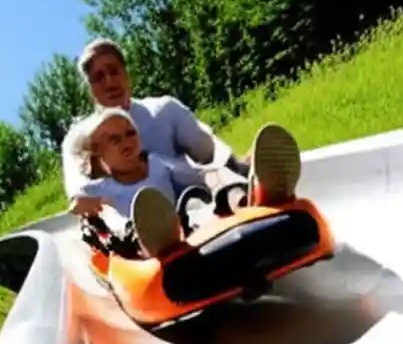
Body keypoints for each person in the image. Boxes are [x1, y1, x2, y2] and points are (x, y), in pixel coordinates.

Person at [69, 104, 303, 259]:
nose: (126, 141)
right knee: (132, 222)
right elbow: (79, 204)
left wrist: (221, 176)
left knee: (214, 175)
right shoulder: (99, 188)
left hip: (180, 226)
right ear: (97, 157)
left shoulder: (156, 163)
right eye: (114, 140)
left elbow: (196, 174)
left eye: (130, 133)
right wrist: (81, 206)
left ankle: (256, 196)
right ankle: (156, 241)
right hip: (140, 240)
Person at [61, 37, 253, 216]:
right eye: (99, 77)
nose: (109, 82)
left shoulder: (164, 110)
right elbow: (78, 190)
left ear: (127, 74)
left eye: (113, 71)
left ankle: (248, 188)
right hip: (131, 220)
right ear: (90, 88)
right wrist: (82, 200)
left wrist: (232, 168)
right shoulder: (79, 138)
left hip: (191, 204)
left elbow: (208, 151)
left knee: (218, 179)